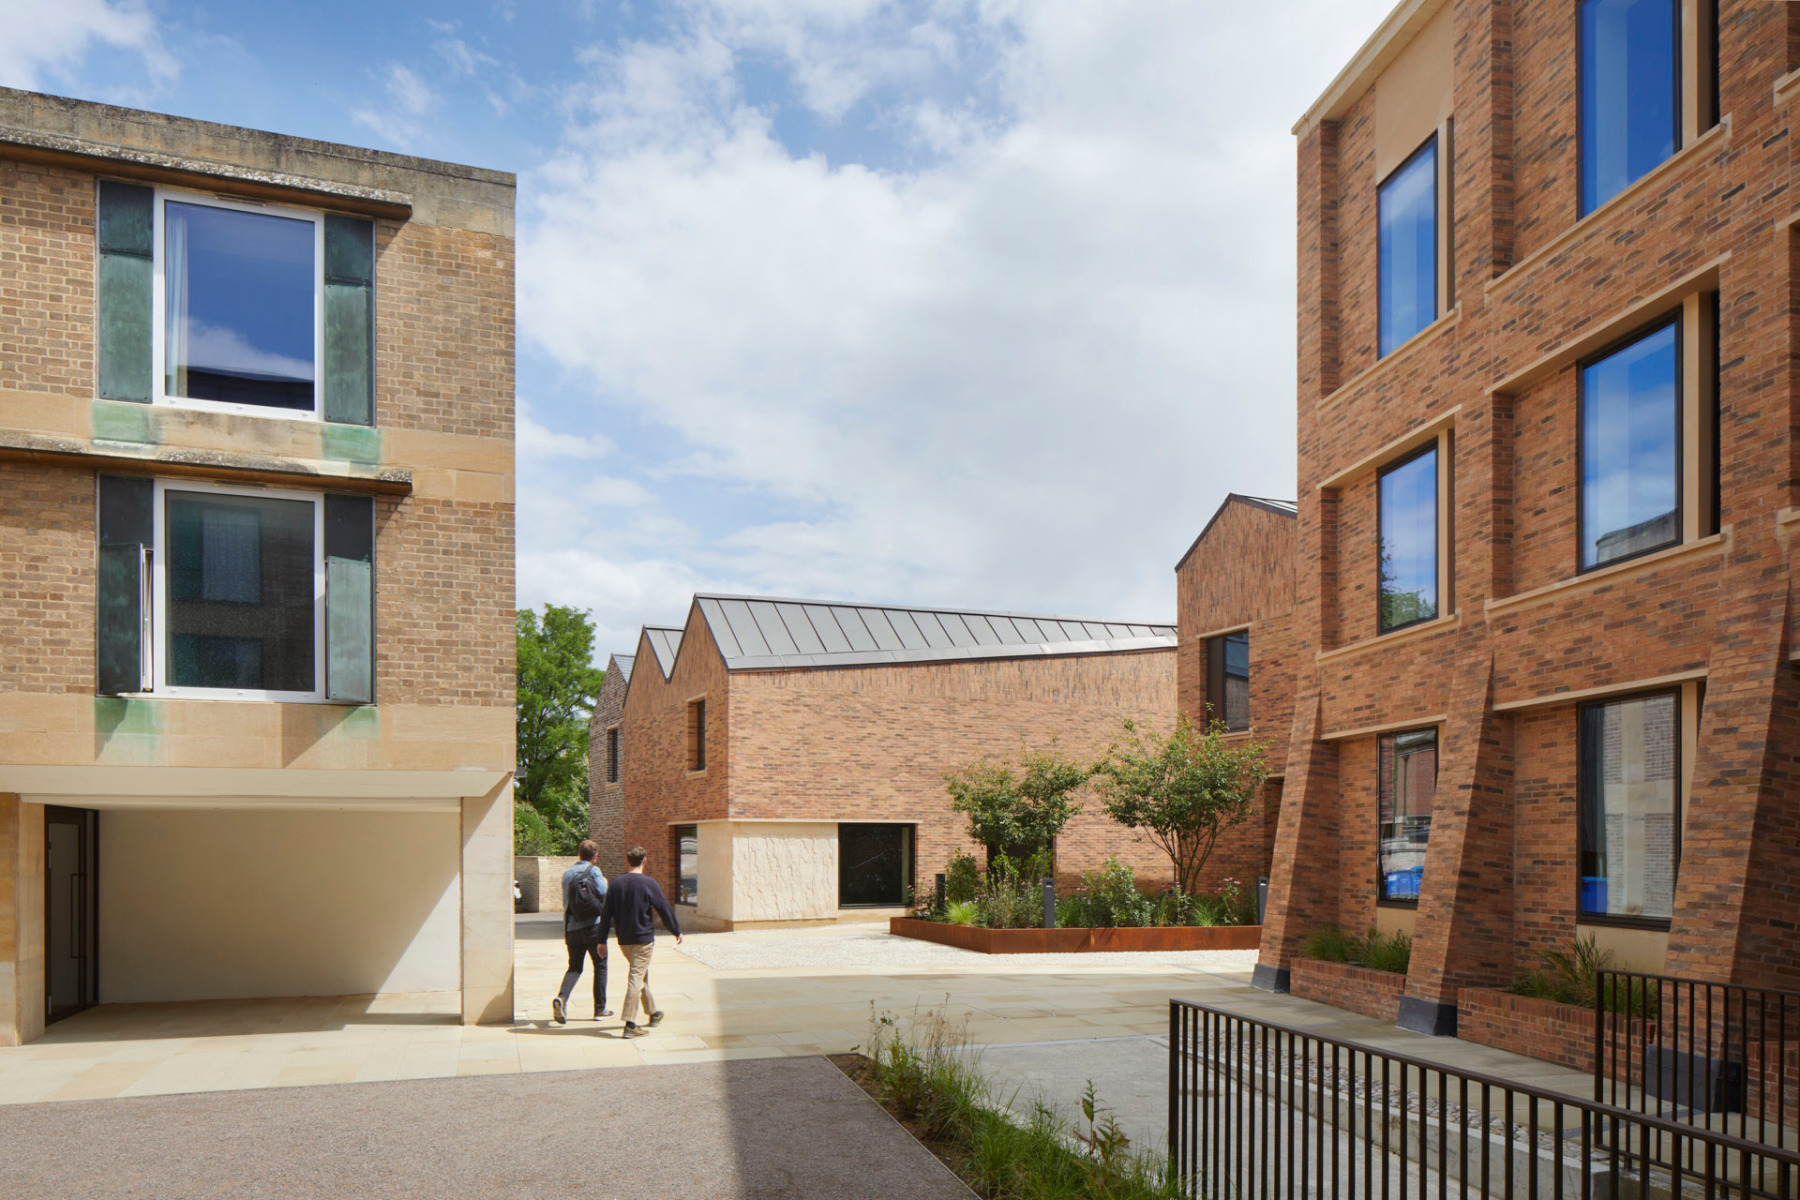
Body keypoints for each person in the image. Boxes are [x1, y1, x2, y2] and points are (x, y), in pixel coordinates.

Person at [597, 844, 683, 1037]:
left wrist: (601, 940)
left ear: (627, 861)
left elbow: (606, 914)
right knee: (636, 977)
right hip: (643, 940)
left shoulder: (616, 884)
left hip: (624, 940)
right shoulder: (648, 883)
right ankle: (630, 1023)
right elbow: (663, 909)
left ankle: (653, 1013)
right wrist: (676, 930)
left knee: (640, 974)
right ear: (645, 861)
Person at [551, 841, 612, 1025]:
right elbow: (604, 891)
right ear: (595, 856)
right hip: (594, 927)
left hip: (572, 927)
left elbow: (565, 902)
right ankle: (600, 1009)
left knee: (575, 967)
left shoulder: (568, 873)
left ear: (579, 854)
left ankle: (562, 998)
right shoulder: (594, 871)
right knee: (600, 966)